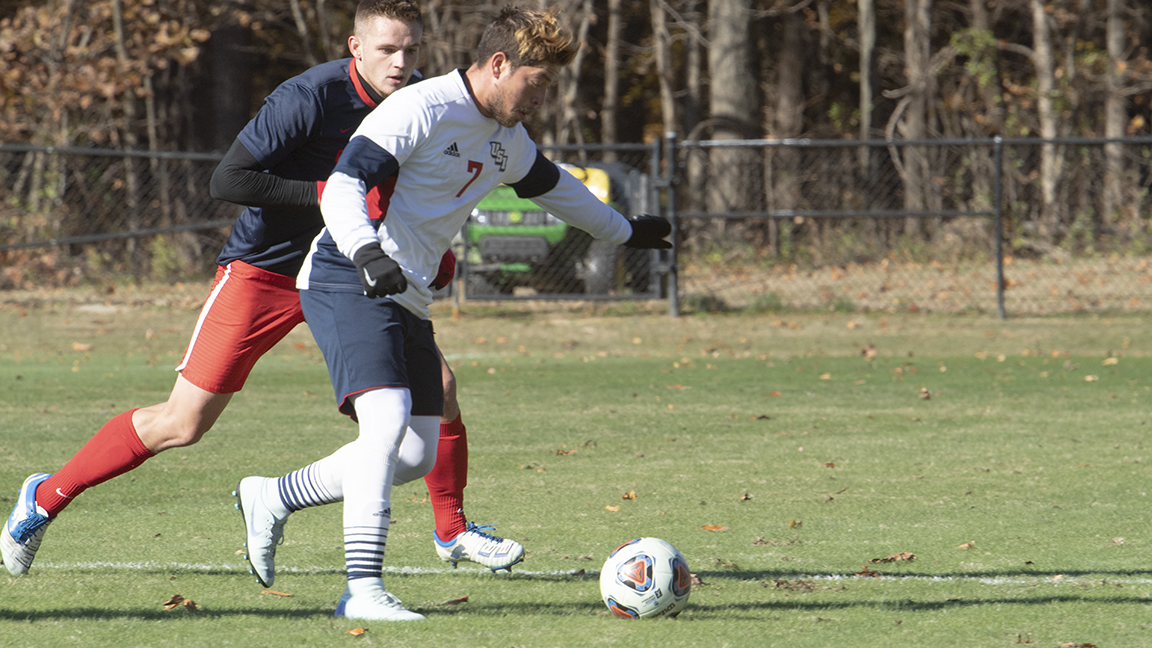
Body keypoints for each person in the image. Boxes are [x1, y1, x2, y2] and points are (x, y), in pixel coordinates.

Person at [1, 0, 523, 583]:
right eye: (387, 49)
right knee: (183, 422)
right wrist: (331, 193)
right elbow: (228, 179)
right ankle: (45, 496)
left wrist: (433, 248)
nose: (401, 63)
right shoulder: (309, 97)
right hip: (266, 271)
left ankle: (451, 529)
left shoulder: (422, 101)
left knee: (439, 391)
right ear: (355, 48)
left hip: (349, 273)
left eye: (411, 49)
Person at [278, 4, 672, 622]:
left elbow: (560, 190)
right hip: (347, 274)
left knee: (415, 454)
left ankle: (273, 496)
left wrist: (624, 231)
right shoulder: (421, 107)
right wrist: (365, 252)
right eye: (536, 82)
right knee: (385, 420)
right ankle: (363, 591)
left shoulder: (506, 140)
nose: (540, 98)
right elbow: (345, 184)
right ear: (499, 64)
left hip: (407, 294)